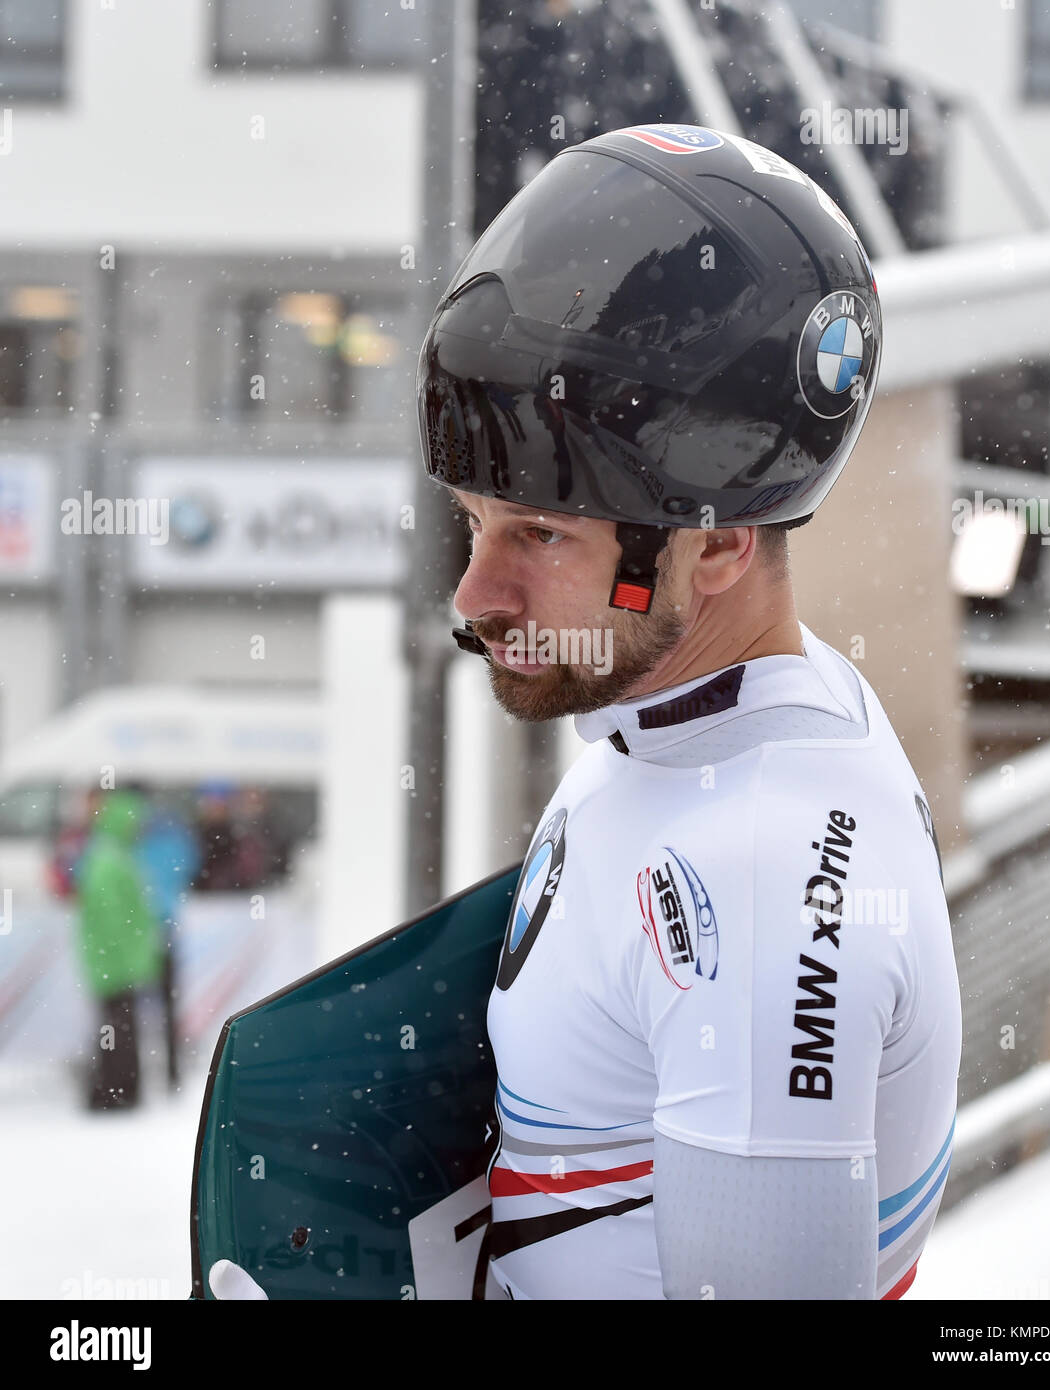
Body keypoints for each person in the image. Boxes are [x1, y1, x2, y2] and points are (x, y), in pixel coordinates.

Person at [212, 122, 962, 1301]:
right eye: (473, 521)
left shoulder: (759, 879)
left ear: (714, 542)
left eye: (540, 536)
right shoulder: (683, 728)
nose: (475, 596)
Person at [74, 788, 162, 1110]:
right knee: (117, 1031)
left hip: (112, 963)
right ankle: (115, 1091)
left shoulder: (110, 855)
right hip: (115, 964)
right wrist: (134, 959)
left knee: (116, 1029)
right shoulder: (111, 859)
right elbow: (114, 919)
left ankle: (115, 1090)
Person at [135, 792, 200, 1091]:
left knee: (131, 1008)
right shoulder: (177, 838)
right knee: (167, 1003)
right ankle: (171, 1071)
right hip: (164, 928)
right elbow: (189, 869)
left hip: (141, 931)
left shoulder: (135, 843)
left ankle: (141, 1072)